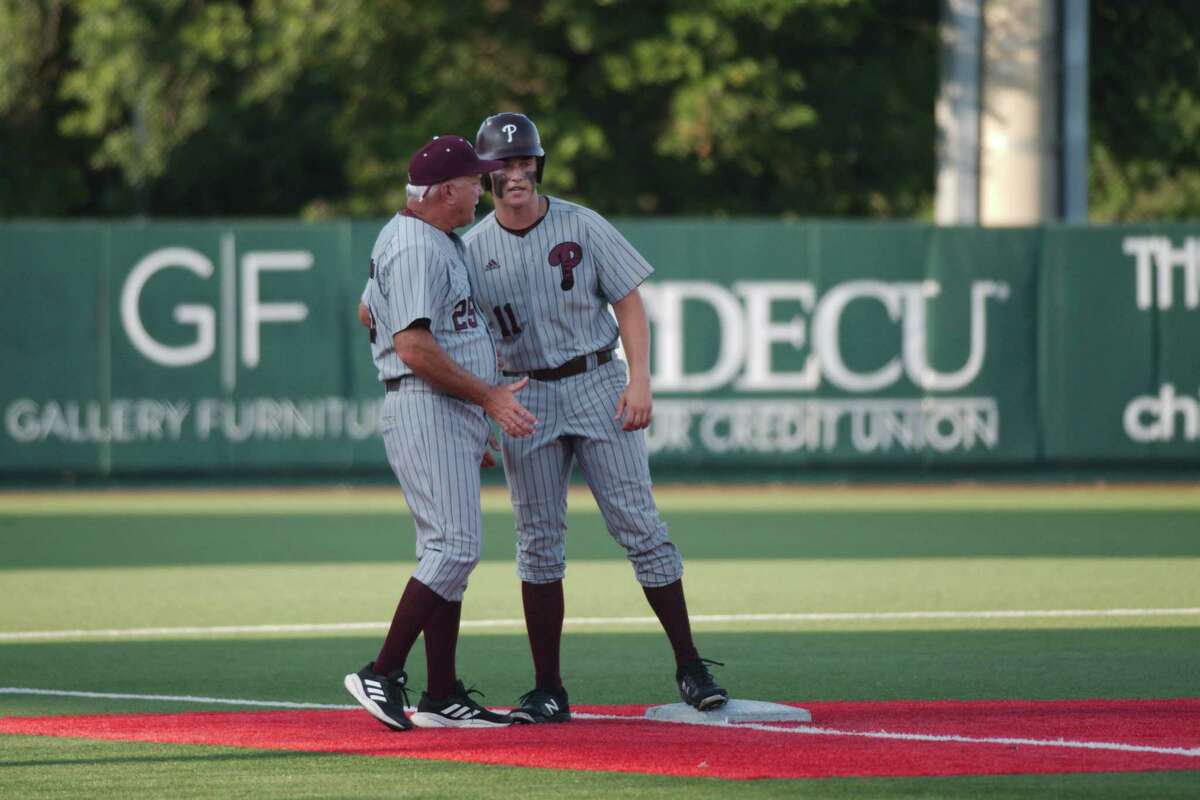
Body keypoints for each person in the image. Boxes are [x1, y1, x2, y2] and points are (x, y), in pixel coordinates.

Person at [462, 112, 728, 724]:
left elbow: (629, 301)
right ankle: (548, 686)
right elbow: (464, 339)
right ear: (486, 176)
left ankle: (690, 664)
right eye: (503, 165)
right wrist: (483, 411)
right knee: (537, 544)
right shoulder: (471, 249)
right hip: (524, 393)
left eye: (525, 161)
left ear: (539, 165)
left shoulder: (580, 222)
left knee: (639, 525)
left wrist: (639, 378)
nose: (516, 172)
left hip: (596, 378)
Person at [344, 134, 538, 731]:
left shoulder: (432, 239)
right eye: (475, 182)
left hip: (444, 408)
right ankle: (381, 671)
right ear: (445, 190)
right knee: (455, 548)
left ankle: (443, 692)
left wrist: (470, 412)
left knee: (446, 554)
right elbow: (410, 344)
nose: (483, 190)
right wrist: (488, 398)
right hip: (425, 402)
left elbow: (367, 309)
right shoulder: (413, 245)